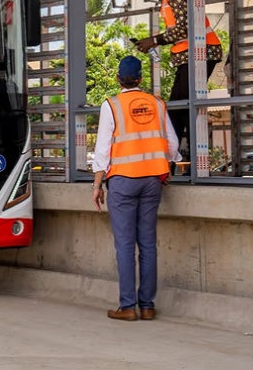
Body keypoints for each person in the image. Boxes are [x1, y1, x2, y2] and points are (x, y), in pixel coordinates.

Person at [91, 55, 181, 322]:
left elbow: (102, 150)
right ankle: (148, 306)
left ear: (118, 79)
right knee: (148, 244)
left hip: (122, 181)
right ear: (141, 78)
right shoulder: (157, 103)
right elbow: (172, 145)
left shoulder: (111, 105)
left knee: (125, 245)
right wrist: (166, 164)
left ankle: (128, 306)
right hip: (152, 180)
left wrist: (97, 184)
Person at [132, 0, 223, 152]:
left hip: (200, 54)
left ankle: (181, 157)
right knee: (181, 108)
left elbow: (185, 28)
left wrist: (154, 40)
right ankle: (186, 156)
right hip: (191, 56)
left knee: (179, 108)